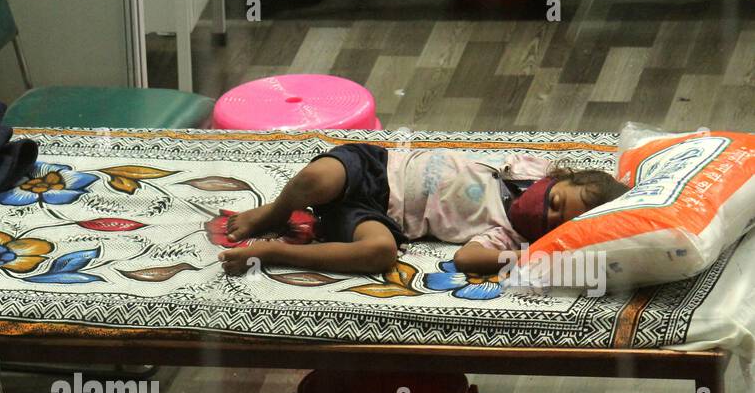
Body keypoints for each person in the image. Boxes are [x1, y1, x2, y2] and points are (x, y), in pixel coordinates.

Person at [219, 142, 628, 277]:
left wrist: (529, 255)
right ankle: (275, 213)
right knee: (314, 180)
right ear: (556, 178)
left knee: (379, 254)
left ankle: (275, 252)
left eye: (553, 224)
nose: (546, 213)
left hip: (381, 216)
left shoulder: (510, 235)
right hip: (375, 168)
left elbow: (467, 256)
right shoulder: (531, 169)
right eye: (555, 202)